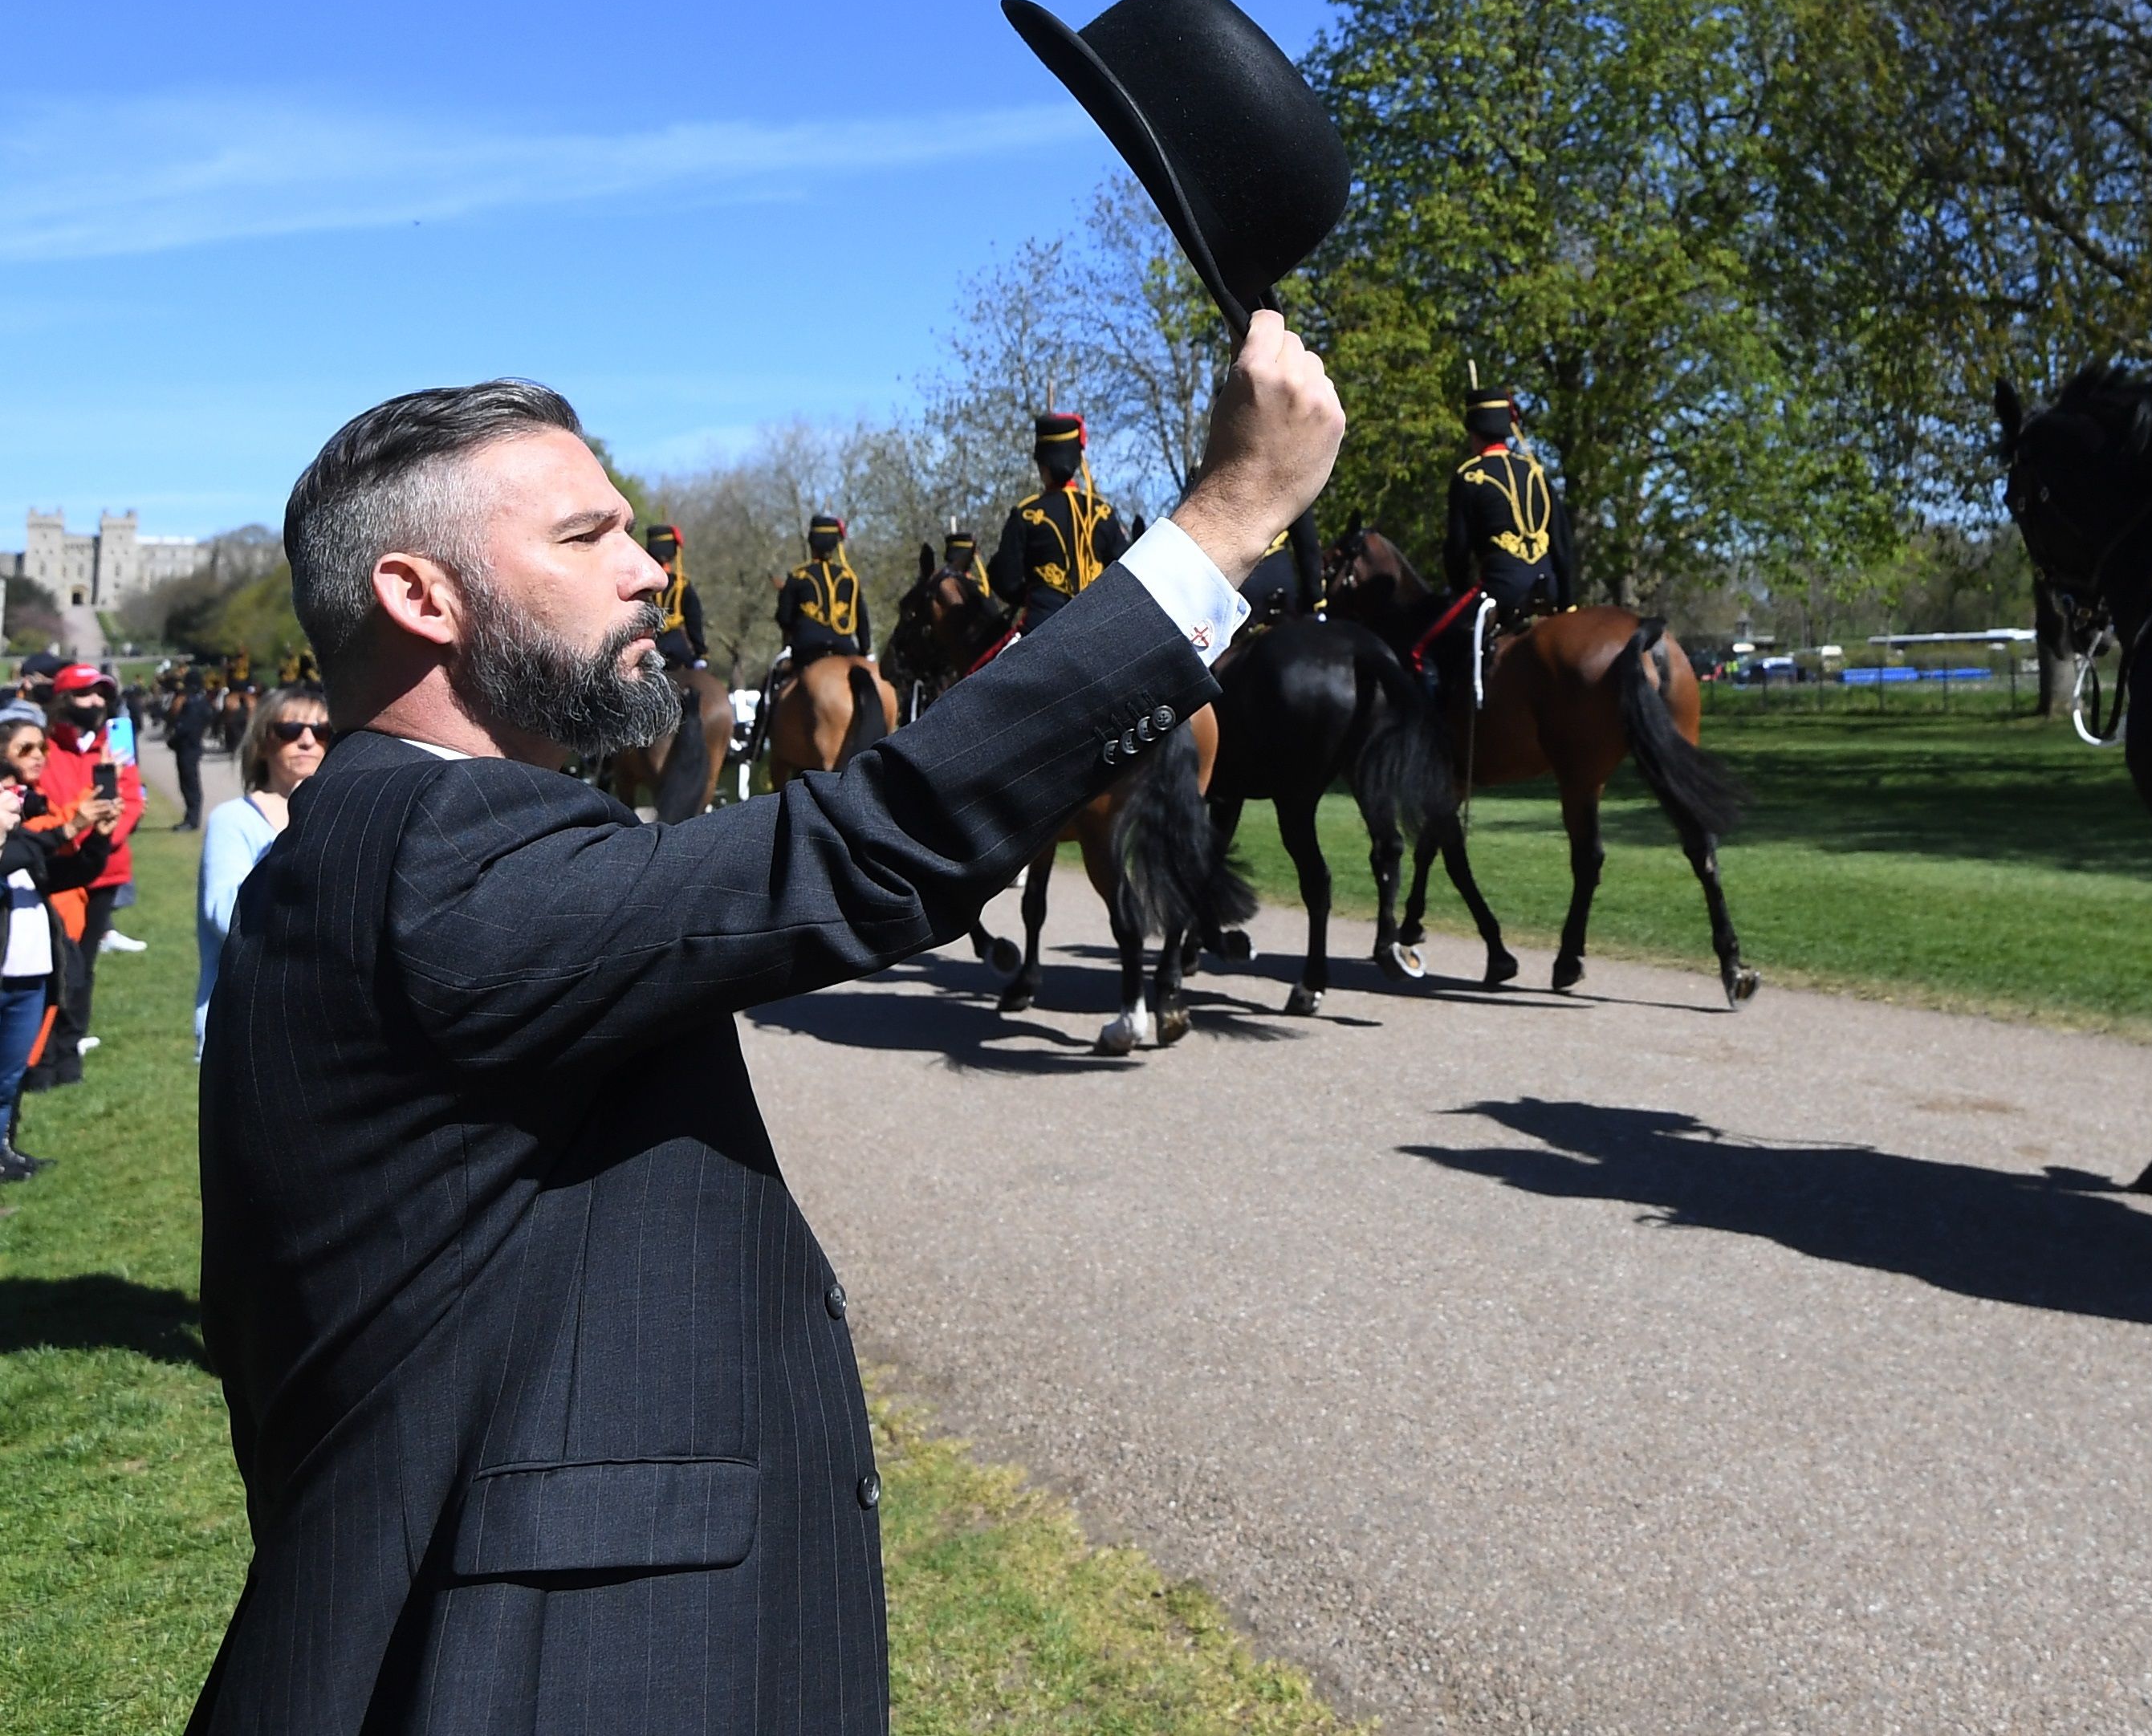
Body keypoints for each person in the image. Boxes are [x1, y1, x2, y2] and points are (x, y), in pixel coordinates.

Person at [191, 320, 1337, 1729]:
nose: (645, 571)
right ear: (422, 595)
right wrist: (1230, 520)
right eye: (586, 536)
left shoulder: (361, 842)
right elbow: (864, 845)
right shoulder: (439, 851)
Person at [1, 698, 117, 1180]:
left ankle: (5, 1151)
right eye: (25, 748)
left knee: (11, 1075)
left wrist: (99, 837)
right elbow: (12, 858)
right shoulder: (16, 837)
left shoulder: (24, 829)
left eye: (41, 748)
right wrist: (72, 824)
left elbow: (64, 873)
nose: (38, 757)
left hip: (30, 974)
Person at [194, 685, 327, 1061]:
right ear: (264, 741)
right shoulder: (233, 820)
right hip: (248, 1022)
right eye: (290, 730)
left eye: (321, 731)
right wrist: (298, 832)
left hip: (319, 1023)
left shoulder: (340, 818)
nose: (307, 741)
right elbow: (225, 915)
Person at [1433, 385, 1572, 701]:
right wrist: (1568, 603)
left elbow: (1457, 552)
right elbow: (1563, 546)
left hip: (1500, 592)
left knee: (1423, 651)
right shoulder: (1537, 473)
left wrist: (1458, 591)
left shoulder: (1469, 477)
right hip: (1548, 590)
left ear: (1474, 431)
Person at [32, 661, 140, 1063]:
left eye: (101, 694)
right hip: (56, 870)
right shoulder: (44, 748)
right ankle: (41, 1041)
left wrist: (101, 836)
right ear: (63, 699)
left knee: (84, 960)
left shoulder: (116, 747)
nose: (94, 701)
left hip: (103, 869)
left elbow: (131, 801)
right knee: (53, 957)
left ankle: (72, 1038)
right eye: (84, 693)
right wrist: (72, 832)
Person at [990, 410, 1129, 632]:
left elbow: (1006, 581)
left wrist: (1033, 595)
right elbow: (1124, 573)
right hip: (1100, 630)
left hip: (1041, 629)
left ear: (1042, 464)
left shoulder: (1027, 514)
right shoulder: (1101, 512)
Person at [775, 514, 870, 665]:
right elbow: (862, 621)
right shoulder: (849, 578)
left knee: (777, 674)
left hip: (806, 648)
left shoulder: (798, 576)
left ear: (812, 543)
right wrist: (865, 651)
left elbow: (784, 618)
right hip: (845, 648)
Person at [640, 522, 709, 676]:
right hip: (677, 645)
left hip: (649, 644)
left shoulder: (640, 582)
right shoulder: (681, 584)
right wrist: (701, 653)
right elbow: (694, 621)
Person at [168, 656, 217, 831]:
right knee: (186, 782)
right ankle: (190, 817)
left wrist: (174, 739)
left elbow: (186, 726)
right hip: (189, 746)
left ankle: (192, 819)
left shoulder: (194, 703)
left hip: (188, 746)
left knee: (190, 783)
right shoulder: (201, 702)